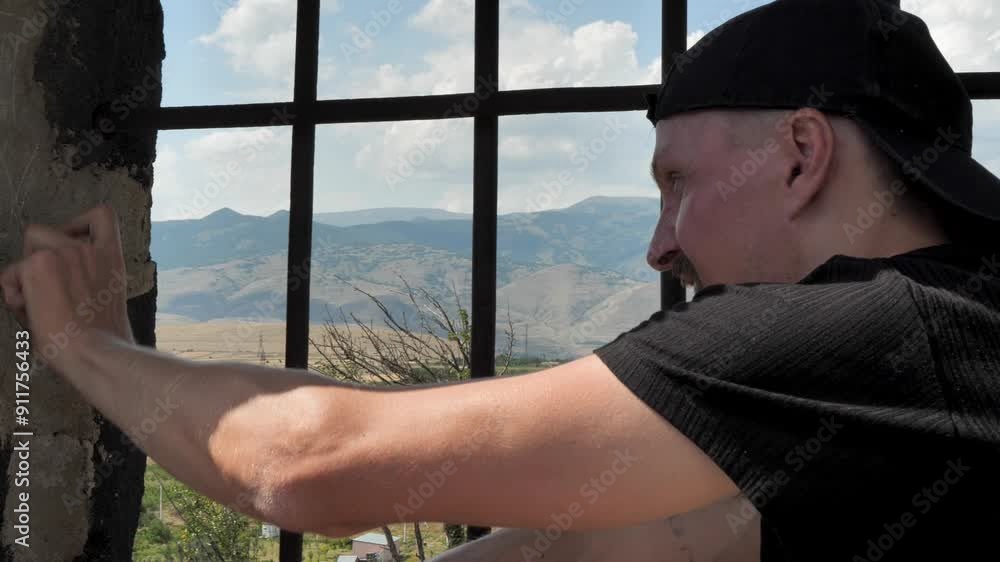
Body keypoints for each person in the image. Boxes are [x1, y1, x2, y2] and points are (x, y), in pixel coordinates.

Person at [3, 0, 999, 560]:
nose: (658, 246)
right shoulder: (945, 335)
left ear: (799, 152)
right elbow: (639, 539)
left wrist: (88, 344)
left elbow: (305, 463)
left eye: (677, 184)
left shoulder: (863, 333)